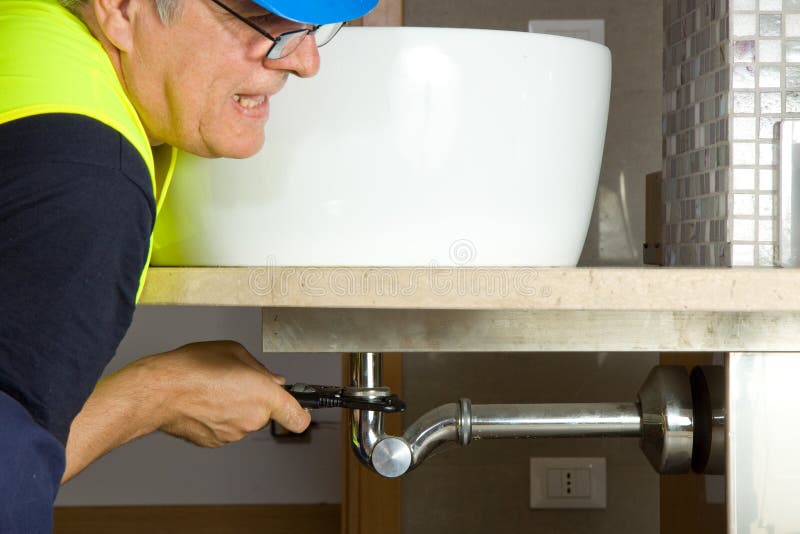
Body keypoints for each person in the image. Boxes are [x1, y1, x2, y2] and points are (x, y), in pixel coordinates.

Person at [0, 0, 377, 530]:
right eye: (266, 21)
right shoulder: (88, 186)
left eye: (318, 28)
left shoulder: (30, 30)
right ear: (121, 9)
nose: (305, 62)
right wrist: (155, 395)